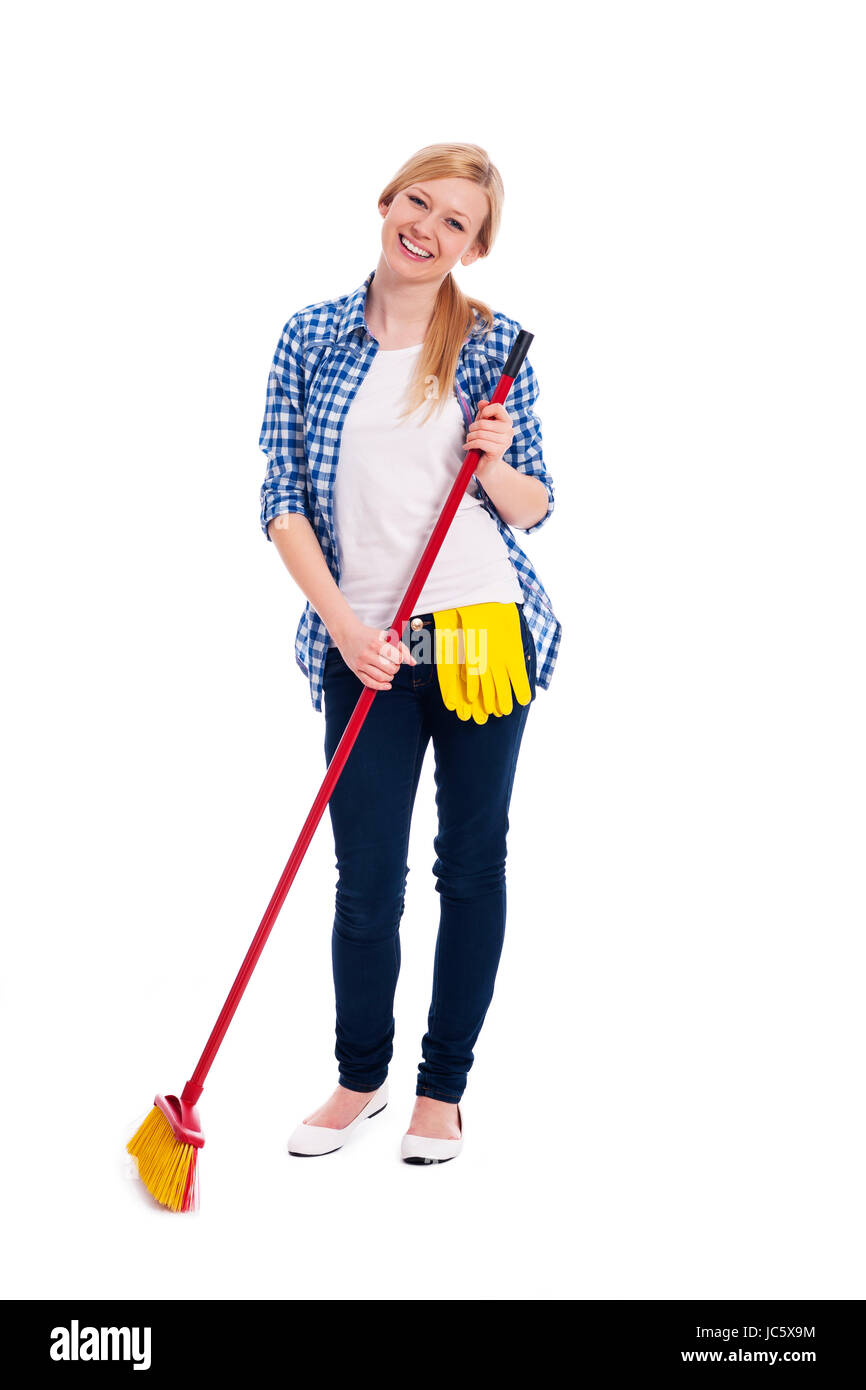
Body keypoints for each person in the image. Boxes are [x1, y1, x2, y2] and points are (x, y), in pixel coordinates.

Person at [258, 143, 561, 1164]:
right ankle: (359, 1078)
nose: (428, 228)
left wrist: (498, 457)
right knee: (364, 880)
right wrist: (345, 626)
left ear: (474, 247)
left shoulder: (489, 343)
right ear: (386, 202)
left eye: (457, 223)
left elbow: (536, 506)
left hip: (479, 630)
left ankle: (441, 1092)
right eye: (419, 202)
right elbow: (282, 503)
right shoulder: (308, 339)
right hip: (366, 644)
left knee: (469, 864)